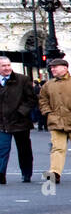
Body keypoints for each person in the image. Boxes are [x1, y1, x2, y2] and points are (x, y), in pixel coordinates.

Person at [0, 55, 38, 183]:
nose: (7, 68)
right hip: (2, 123)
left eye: (8, 65)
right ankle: (1, 174)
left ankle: (26, 173)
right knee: (2, 149)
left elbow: (31, 99)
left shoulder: (22, 80)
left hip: (20, 122)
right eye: (3, 66)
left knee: (24, 149)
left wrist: (21, 112)